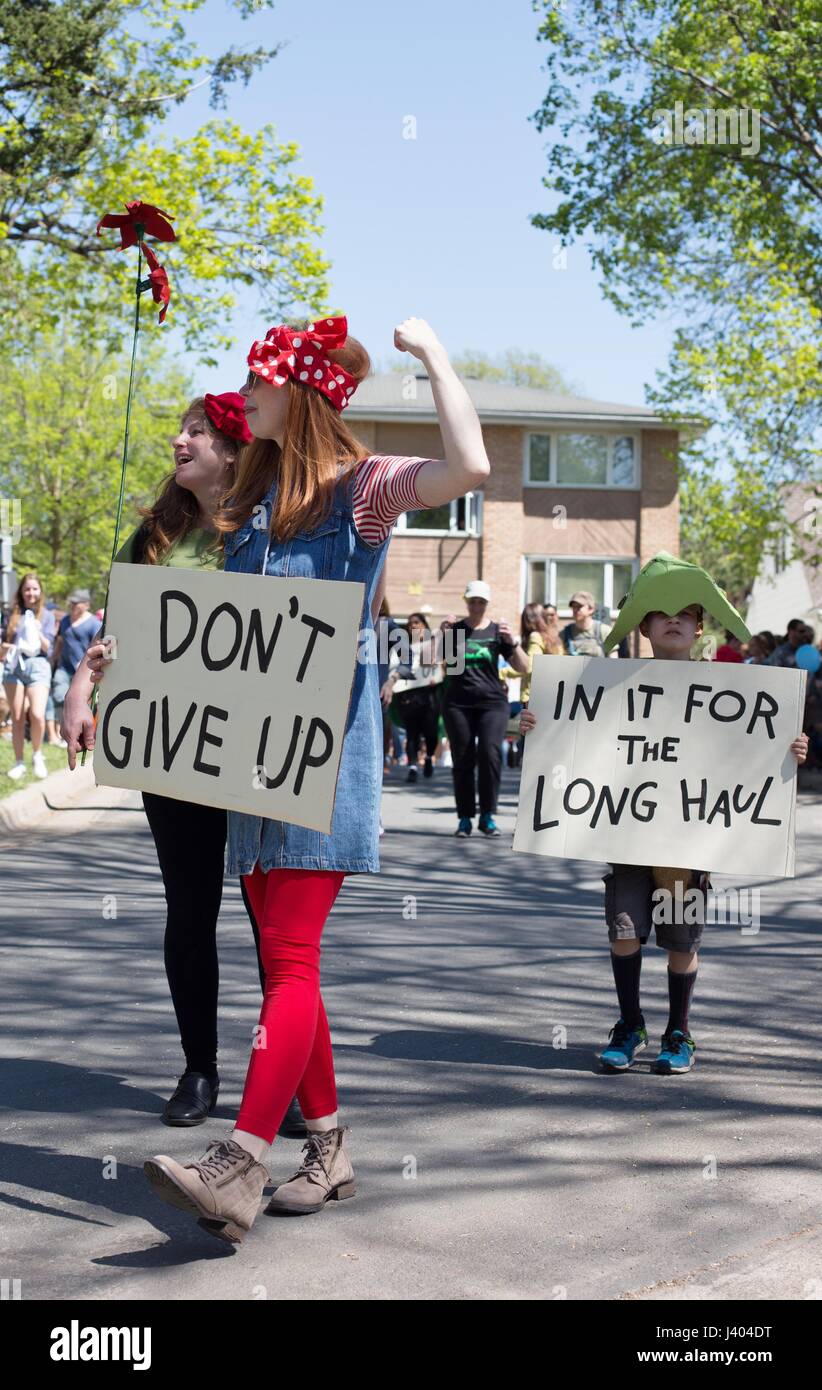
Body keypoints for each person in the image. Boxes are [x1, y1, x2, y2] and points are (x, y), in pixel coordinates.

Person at [130, 312, 492, 1245]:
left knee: (288, 960)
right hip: (251, 764)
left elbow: (471, 472)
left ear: (299, 391)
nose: (240, 394)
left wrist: (435, 357)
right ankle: (328, 1151)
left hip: (323, 758)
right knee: (291, 963)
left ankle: (243, 1160)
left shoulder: (360, 490)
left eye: (257, 380)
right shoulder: (247, 515)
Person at [61, 392, 301, 1133]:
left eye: (196, 431)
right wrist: (82, 683)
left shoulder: (270, 534)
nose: (178, 440)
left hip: (258, 751)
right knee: (191, 912)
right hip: (175, 749)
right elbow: (118, 639)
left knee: (273, 924)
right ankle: (199, 1069)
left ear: (234, 450)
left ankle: (283, 1075)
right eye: (180, 430)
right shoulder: (153, 538)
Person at [520, 552, 808, 1077]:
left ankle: (680, 1031)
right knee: (624, 930)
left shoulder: (729, 689)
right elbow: (572, 733)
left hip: (688, 843)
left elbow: (749, 752)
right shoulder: (607, 684)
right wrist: (538, 727)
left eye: (686, 613)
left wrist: (787, 750)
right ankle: (630, 1024)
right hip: (626, 834)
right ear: (644, 627)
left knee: (681, 939)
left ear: (699, 628)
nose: (674, 619)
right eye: (660, 613)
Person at [438, 581, 529, 838]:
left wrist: (513, 642)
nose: (477, 606)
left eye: (481, 601)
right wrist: (440, 634)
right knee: (463, 758)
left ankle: (487, 815)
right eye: (473, 601)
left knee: (490, 754)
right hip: (458, 703)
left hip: (492, 703)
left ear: (487, 604)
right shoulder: (455, 630)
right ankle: (465, 818)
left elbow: (523, 667)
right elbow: (428, 659)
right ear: (466, 602)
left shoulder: (498, 632)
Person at [1, 573, 57, 781]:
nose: (31, 593)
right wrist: (8, 646)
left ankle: (37, 754)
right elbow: (1, 647)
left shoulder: (47, 616)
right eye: (27, 589)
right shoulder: (10, 614)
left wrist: (38, 631)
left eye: (34, 589)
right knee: (16, 717)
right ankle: (18, 762)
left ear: (40, 591)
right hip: (15, 665)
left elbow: (49, 649)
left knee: (37, 714)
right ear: (21, 592)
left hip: (38, 665)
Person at [383, 611, 442, 781]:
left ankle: (429, 756)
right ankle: (413, 767)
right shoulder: (403, 647)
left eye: (417, 622)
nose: (413, 625)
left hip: (429, 695)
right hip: (408, 696)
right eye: (410, 623)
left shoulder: (433, 644)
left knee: (431, 733)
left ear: (424, 625)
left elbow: (440, 667)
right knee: (411, 733)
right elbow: (395, 667)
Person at [48, 589, 101, 745]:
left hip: (85, 672)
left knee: (86, 703)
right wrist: (54, 658)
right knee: (59, 695)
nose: (73, 605)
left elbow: (99, 646)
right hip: (64, 667)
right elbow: (60, 641)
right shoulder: (65, 621)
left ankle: (84, 733)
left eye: (76, 603)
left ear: (86, 604)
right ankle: (65, 731)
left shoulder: (94, 624)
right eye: (72, 602)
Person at [560, 590, 617, 658]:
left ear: (591, 609)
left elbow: (614, 661)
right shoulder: (565, 633)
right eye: (573, 607)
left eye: (579, 607)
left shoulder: (604, 631)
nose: (575, 610)